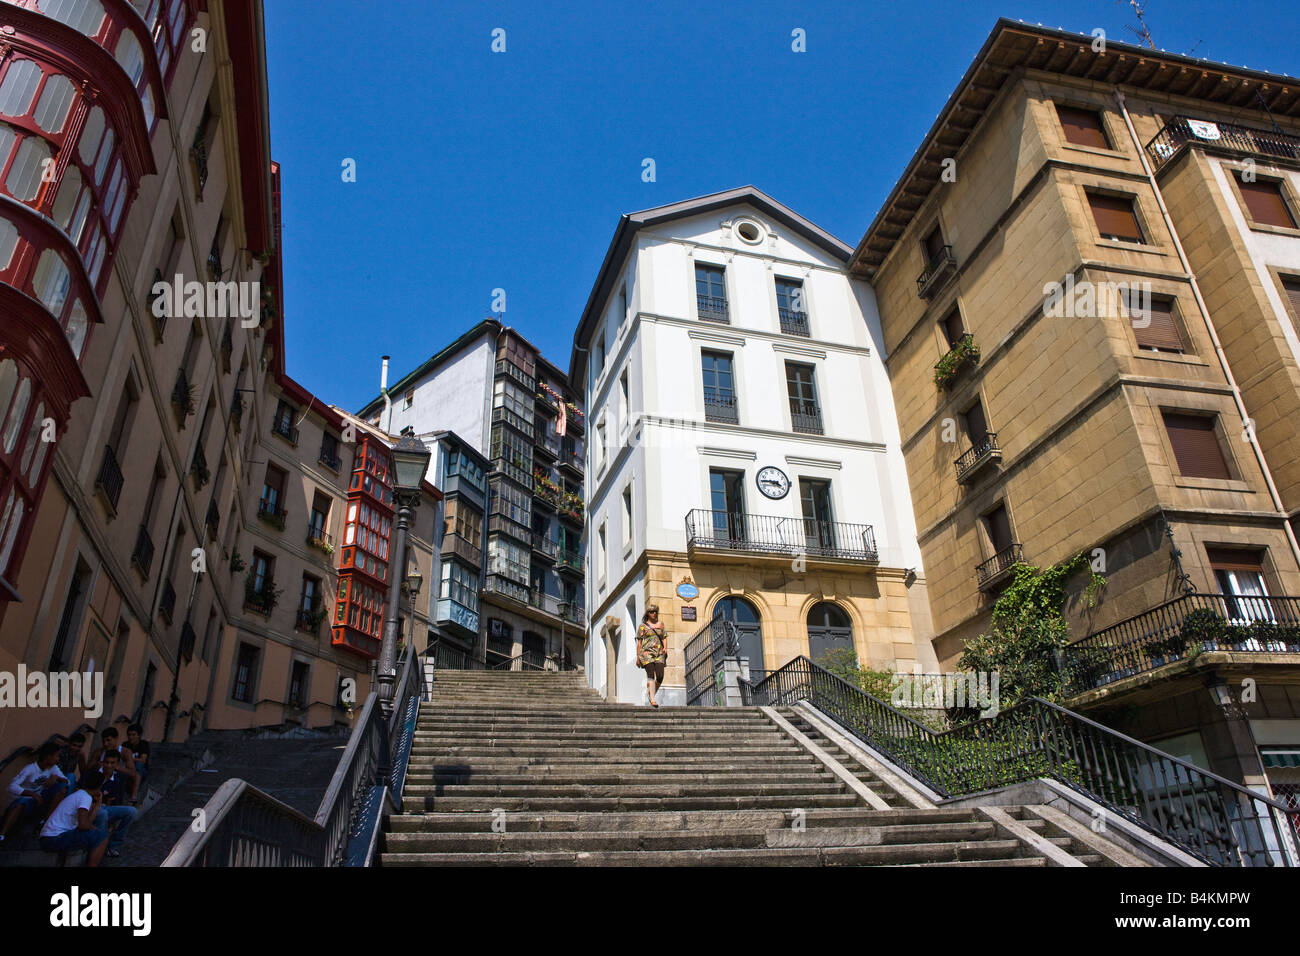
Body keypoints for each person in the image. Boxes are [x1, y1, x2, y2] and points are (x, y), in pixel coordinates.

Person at [39, 769, 108, 867]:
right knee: (102, 837)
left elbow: (87, 822)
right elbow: (83, 825)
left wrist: (97, 804)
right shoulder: (85, 797)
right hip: (53, 838)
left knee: (98, 834)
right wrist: (95, 829)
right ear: (100, 786)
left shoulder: (79, 794)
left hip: (50, 837)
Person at [0, 742, 68, 843]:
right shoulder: (30, 769)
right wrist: (32, 794)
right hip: (24, 801)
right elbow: (11, 786)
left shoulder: (53, 768)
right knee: (21, 803)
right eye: (56, 756)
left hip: (39, 801)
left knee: (62, 788)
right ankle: (2, 836)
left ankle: (44, 823)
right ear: (48, 757)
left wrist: (57, 778)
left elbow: (67, 781)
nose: (58, 759)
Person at [94, 750, 137, 858]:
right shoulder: (93, 774)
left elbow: (116, 800)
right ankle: (100, 846)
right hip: (92, 808)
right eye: (107, 762)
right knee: (102, 813)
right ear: (102, 762)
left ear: (117, 765)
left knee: (131, 811)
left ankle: (113, 846)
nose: (109, 765)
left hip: (106, 808)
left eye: (112, 763)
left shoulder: (118, 779)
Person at [636, 604, 668, 708]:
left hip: (659, 653)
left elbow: (664, 637)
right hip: (646, 653)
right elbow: (640, 643)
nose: (654, 613)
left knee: (660, 676)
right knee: (650, 675)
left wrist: (665, 648)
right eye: (651, 612)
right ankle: (653, 699)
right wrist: (638, 657)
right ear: (648, 614)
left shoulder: (661, 624)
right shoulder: (642, 626)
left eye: (655, 612)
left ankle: (651, 692)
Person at [125, 724, 149, 804]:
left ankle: (134, 794)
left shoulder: (143, 745)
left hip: (141, 771)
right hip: (128, 769)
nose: (131, 737)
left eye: (133, 735)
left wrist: (130, 758)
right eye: (129, 735)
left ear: (139, 735)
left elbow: (143, 760)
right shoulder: (125, 745)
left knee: (139, 766)